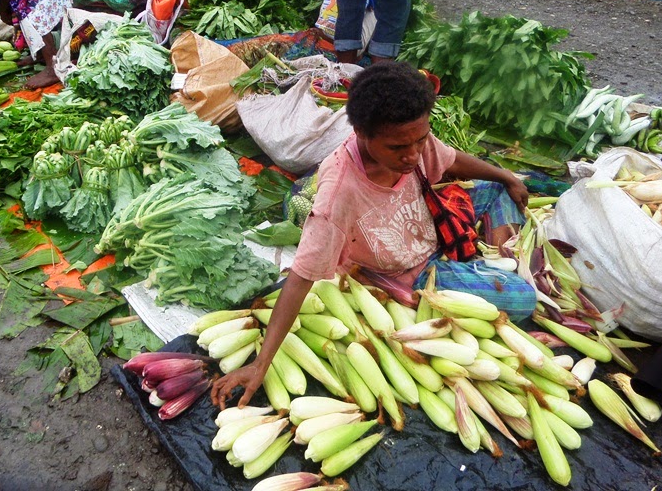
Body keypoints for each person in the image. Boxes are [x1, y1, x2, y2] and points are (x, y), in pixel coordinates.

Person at [211, 61, 537, 409]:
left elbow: (452, 159)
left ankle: (493, 262)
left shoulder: (409, 134)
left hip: (428, 222)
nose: (413, 155)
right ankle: (483, 274)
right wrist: (261, 363)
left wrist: (506, 175)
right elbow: (301, 277)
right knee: (524, 300)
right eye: (398, 148)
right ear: (362, 133)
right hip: (413, 271)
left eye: (420, 140)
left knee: (499, 189)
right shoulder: (339, 195)